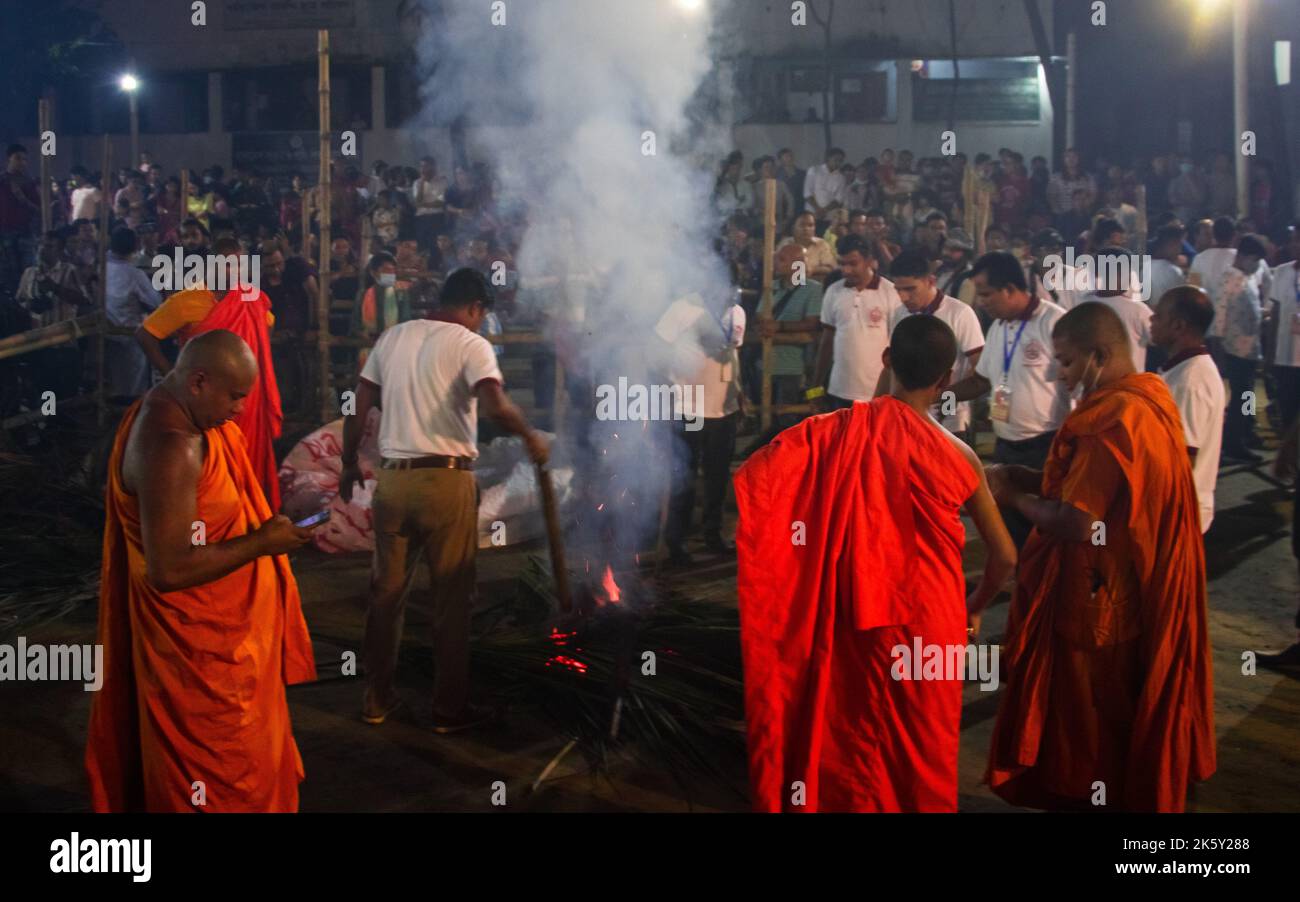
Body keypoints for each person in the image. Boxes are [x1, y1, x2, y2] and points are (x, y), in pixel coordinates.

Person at [734, 314, 1017, 812]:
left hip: (855, 605)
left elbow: (757, 481)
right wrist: (975, 605)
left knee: (850, 723)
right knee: (921, 743)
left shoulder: (833, 431)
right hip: (931, 616)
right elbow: (1005, 555)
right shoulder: (960, 456)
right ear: (946, 379)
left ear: (886, 359)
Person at [985, 302, 1215, 811]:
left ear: (1099, 355)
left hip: (1100, 596)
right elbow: (1093, 492)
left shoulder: (1116, 416)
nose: (1061, 375)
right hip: (1126, 582)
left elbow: (1078, 520)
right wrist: (1025, 479)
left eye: (1066, 363)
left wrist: (1012, 498)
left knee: (1089, 720)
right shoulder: (1149, 397)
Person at [86, 330, 318, 812]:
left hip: (230, 649)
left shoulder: (184, 421)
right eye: (234, 396)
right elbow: (168, 569)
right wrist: (262, 542)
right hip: (199, 662)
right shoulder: (172, 445)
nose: (239, 410)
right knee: (220, 778)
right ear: (197, 382)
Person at [339, 268, 548, 731]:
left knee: (386, 596)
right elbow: (494, 405)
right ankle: (447, 709)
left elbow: (357, 404)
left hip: (393, 482)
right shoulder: (471, 345)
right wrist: (531, 436)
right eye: (481, 316)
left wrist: (349, 461)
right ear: (475, 308)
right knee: (451, 600)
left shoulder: (392, 338)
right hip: (446, 482)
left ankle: (377, 699)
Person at [136, 236, 284, 508]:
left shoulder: (250, 298)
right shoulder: (187, 299)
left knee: (246, 460)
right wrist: (172, 374)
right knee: (207, 463)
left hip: (245, 399)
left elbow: (267, 327)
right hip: (202, 400)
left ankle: (246, 519)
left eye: (238, 265)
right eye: (226, 265)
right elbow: (145, 334)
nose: (233, 271)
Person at [948, 252, 1070, 548]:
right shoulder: (999, 327)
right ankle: (1018, 582)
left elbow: (1076, 385)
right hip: (1005, 446)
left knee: (1046, 525)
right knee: (1009, 521)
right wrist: (942, 396)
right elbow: (981, 380)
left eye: (986, 293)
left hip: (1045, 445)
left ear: (1010, 289)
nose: (981, 301)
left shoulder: (1054, 323)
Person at [656, 284, 747, 563]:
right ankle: (677, 541)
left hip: (724, 408)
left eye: (733, 288)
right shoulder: (682, 308)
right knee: (685, 473)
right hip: (690, 407)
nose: (730, 294)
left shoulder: (737, 312)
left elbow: (733, 355)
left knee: (717, 475)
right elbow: (658, 351)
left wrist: (740, 394)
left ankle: (713, 534)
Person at [874, 249, 983, 443]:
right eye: (898, 290)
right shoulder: (899, 314)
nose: (903, 297)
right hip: (908, 419)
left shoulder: (959, 314)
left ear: (930, 281)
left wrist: (945, 400)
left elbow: (978, 367)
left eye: (910, 289)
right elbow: (892, 366)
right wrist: (876, 407)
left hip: (949, 422)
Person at [1151, 286, 1224, 533]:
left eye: (1159, 315)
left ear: (1179, 326)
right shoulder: (1185, 370)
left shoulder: (1190, 381)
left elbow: (1181, 460)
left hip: (1175, 517)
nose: (1151, 318)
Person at [811, 234, 902, 411]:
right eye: (842, 263)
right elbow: (826, 343)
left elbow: (898, 345)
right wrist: (815, 390)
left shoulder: (890, 292)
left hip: (879, 392)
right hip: (839, 390)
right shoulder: (833, 291)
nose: (846, 270)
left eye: (853, 263)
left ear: (869, 261)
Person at [756, 242, 823, 430]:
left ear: (797, 264)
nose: (776, 262)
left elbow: (812, 323)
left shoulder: (812, 289)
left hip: (794, 365)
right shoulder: (772, 287)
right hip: (767, 362)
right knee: (768, 415)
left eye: (781, 259)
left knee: (787, 416)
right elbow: (760, 315)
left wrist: (779, 326)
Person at [1217, 235, 1269, 462]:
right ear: (1245, 257)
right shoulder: (1230, 279)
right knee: (1241, 396)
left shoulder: (1246, 278)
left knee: (1247, 394)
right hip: (1236, 349)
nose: (1257, 265)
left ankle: (1246, 431)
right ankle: (1234, 442)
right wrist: (1217, 344)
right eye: (1255, 259)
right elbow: (1220, 317)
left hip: (1250, 348)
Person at [105, 227, 162, 399]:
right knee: (133, 386)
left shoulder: (102, 267)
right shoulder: (134, 274)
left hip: (107, 333)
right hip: (130, 335)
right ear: (135, 246)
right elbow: (155, 302)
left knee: (114, 382)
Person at [1266, 251, 1300, 435]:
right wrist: (1270, 353)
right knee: (1287, 409)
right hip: (1285, 356)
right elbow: (1275, 314)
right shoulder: (1282, 272)